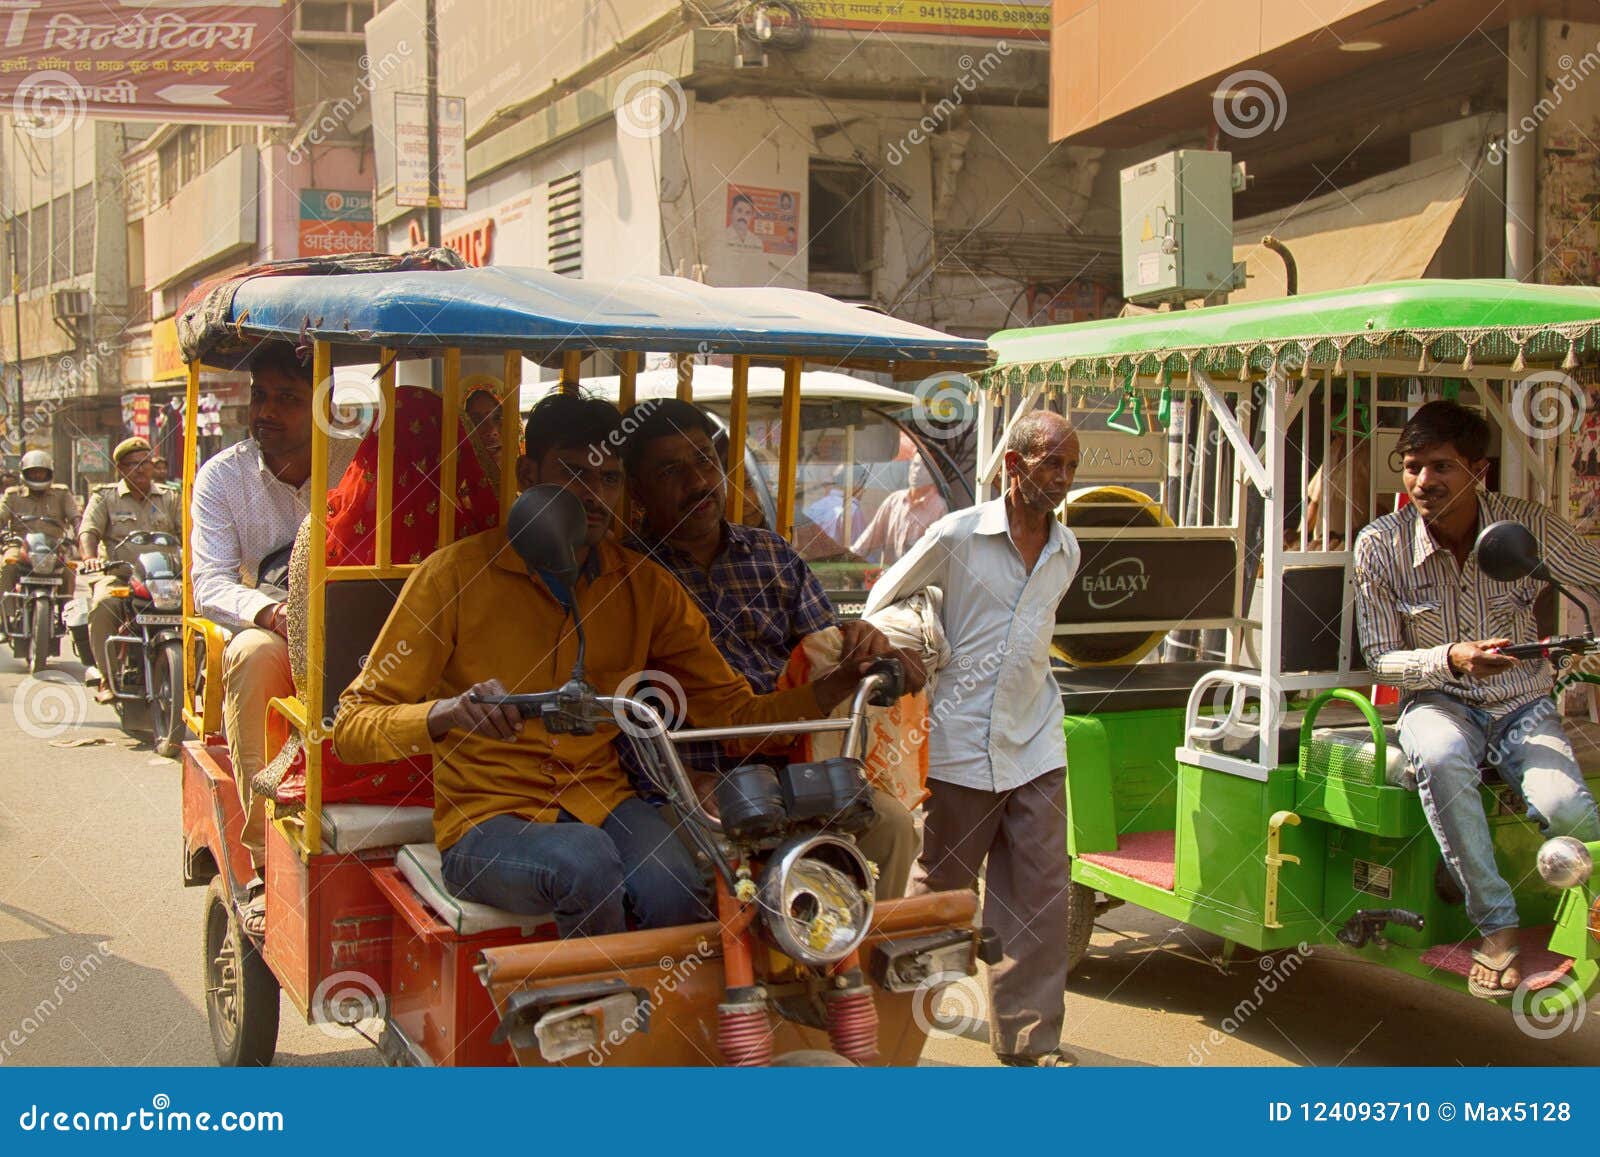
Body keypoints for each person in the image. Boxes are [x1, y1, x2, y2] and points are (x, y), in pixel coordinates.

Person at [332, 392, 916, 938]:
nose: (593, 496)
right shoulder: (453, 576)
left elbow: (733, 711)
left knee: (682, 889)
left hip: (605, 802)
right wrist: (446, 714)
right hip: (487, 819)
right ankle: (591, 1033)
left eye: (608, 479)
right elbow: (354, 727)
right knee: (587, 864)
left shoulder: (644, 585)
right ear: (527, 477)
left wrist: (838, 681)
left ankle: (673, 1037)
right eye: (573, 475)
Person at [619, 398, 920, 899]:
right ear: (637, 491)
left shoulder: (772, 554)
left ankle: (863, 971)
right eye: (670, 469)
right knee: (679, 877)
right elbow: (618, 710)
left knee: (890, 827)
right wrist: (682, 777)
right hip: (695, 777)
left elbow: (827, 649)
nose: (696, 482)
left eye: (703, 460)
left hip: (797, 770)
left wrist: (867, 645)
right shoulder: (628, 577)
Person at [1353, 400, 1600, 999]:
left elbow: (1591, 572)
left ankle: (1591, 912)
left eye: (1440, 467)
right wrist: (1451, 657)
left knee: (1568, 808)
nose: (1422, 482)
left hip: (1522, 704)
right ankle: (1497, 925)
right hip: (1438, 703)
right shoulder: (1379, 545)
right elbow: (1380, 656)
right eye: (1412, 467)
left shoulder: (1525, 525)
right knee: (1438, 757)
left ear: (1478, 471)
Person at [863, 409, 1082, 1067]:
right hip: (958, 740)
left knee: (1042, 896)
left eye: (1071, 466)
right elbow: (882, 602)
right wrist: (921, 639)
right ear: (1013, 466)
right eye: (1053, 464)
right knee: (943, 896)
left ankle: (1031, 1044)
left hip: (1036, 738)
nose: (1064, 479)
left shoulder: (1066, 550)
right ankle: (883, 1034)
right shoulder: (957, 534)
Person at [191, 342, 337, 931]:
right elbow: (210, 583)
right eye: (260, 396)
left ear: (320, 404)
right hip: (273, 625)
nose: (266, 412)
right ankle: (261, 856)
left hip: (357, 625)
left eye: (287, 399)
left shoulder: (355, 461)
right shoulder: (221, 478)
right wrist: (275, 616)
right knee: (252, 654)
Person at [77, 437, 182, 697]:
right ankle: (107, 677)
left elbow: (190, 534)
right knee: (102, 605)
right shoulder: (105, 497)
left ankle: (194, 675)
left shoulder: (170, 498)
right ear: (121, 469)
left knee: (203, 610)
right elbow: (88, 531)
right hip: (121, 578)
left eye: (147, 462)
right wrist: (90, 557)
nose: (142, 469)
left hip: (164, 582)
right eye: (134, 464)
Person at [0, 450, 80, 622]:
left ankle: (66, 615)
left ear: (49, 472)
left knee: (69, 570)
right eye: (33, 471)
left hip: (54, 546)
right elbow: (1, 516)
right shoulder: (13, 495)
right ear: (24, 473)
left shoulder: (62, 494)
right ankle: (7, 617)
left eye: (41, 471)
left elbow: (76, 518)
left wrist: (80, 535)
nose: (37, 475)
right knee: (7, 566)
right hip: (20, 545)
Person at [852, 455, 948, 566]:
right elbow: (864, 544)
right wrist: (844, 560)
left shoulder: (940, 509)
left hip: (918, 582)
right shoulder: (894, 501)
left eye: (925, 467)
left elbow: (937, 560)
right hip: (888, 580)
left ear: (934, 473)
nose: (917, 471)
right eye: (915, 465)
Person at [462, 388, 502, 488]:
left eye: (497, 418)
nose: (491, 431)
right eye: (476, 420)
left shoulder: (529, 484)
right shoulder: (453, 491)